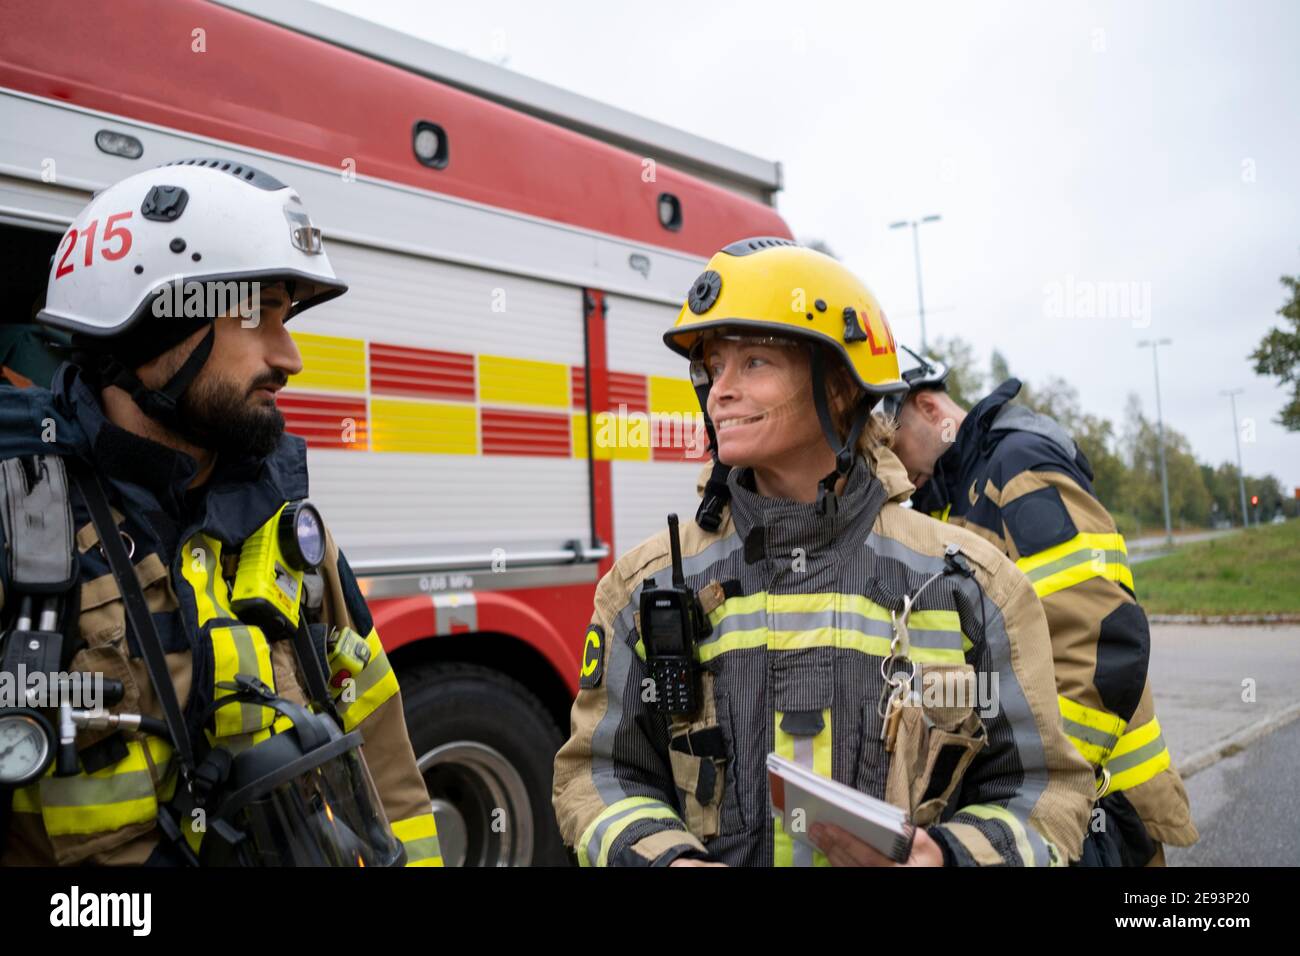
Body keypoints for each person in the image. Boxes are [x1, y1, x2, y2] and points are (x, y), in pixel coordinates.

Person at [552, 239, 1094, 867]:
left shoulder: (973, 586)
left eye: (754, 362)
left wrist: (948, 859)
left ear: (840, 387)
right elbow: (597, 774)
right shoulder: (644, 587)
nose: (718, 391)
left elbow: (1046, 792)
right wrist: (665, 860)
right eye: (712, 366)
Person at [0, 160, 440, 866]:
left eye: (285, 315)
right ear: (149, 326)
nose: (290, 355)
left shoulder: (289, 529)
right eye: (253, 313)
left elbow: (387, 768)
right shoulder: (21, 531)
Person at [882, 348, 1197, 865]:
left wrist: (1051, 784)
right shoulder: (952, 498)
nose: (892, 464)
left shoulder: (1016, 468)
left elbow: (1101, 634)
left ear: (930, 411)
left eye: (892, 443)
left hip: (1101, 805)